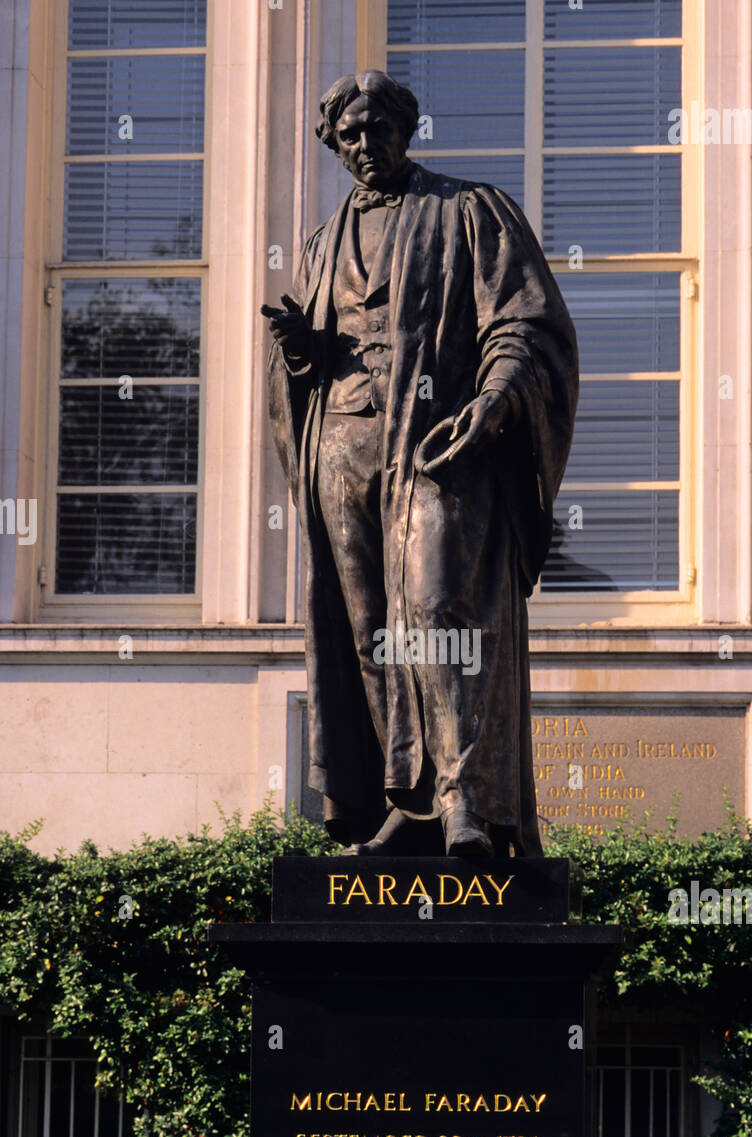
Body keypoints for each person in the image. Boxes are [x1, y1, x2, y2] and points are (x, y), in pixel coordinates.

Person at [264, 70, 578, 857]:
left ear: (409, 129)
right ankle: (407, 801)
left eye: (380, 127)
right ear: (334, 145)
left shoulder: (471, 211)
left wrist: (497, 399)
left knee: (438, 609)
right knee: (370, 629)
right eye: (351, 134)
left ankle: (466, 797)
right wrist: (301, 358)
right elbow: (302, 370)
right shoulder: (318, 246)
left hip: (436, 447)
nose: (367, 144)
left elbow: (525, 325)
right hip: (341, 448)